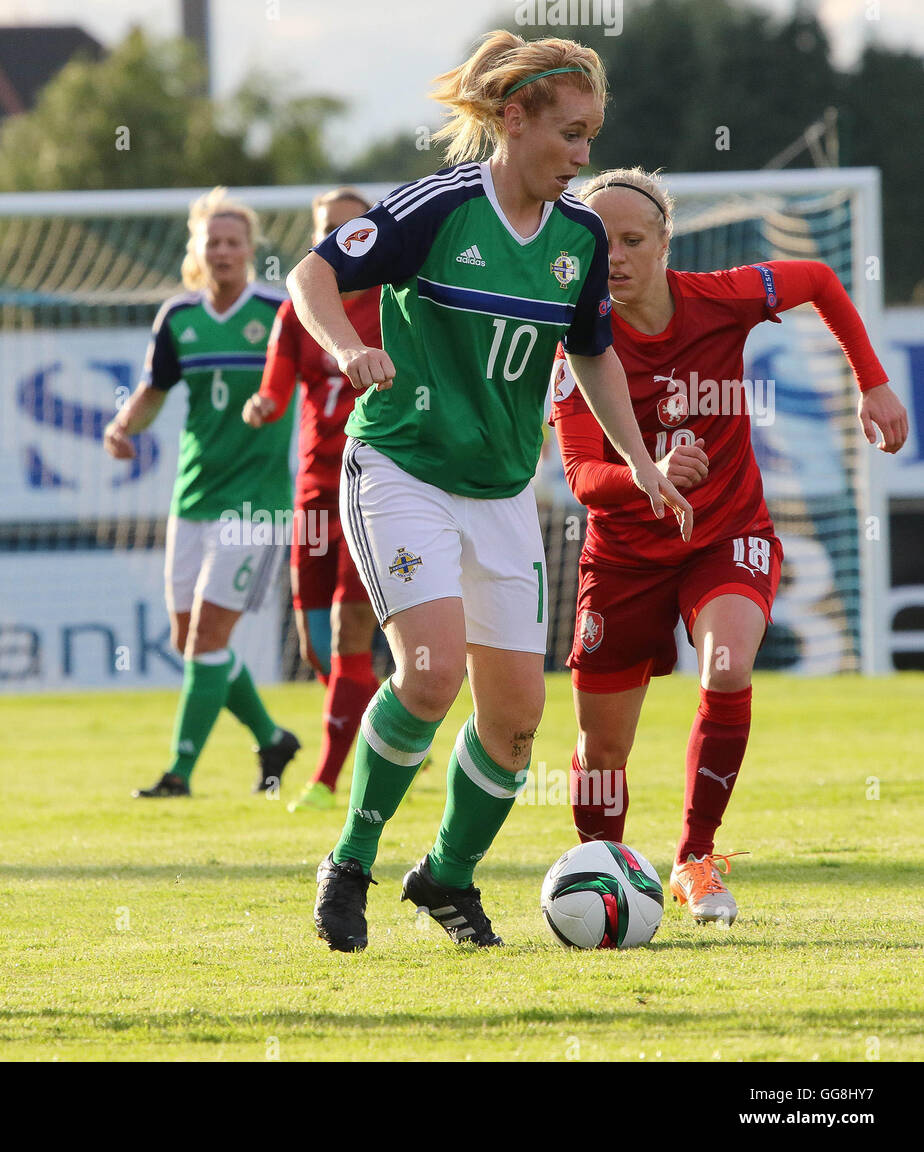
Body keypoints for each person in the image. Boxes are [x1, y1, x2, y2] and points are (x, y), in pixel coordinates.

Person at [286, 32, 692, 952]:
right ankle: (350, 859)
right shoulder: (439, 209)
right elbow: (311, 273)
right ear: (516, 119)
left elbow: (592, 351)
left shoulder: (579, 237)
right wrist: (348, 348)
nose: (585, 157)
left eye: (593, 137)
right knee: (429, 674)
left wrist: (637, 460)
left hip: (503, 493)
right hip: (401, 470)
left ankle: (448, 877)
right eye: (573, 135)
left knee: (514, 726)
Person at [552, 166, 909, 925]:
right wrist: (646, 478)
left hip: (727, 533)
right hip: (622, 558)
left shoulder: (723, 297)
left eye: (632, 240)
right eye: (598, 242)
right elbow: (583, 476)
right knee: (601, 753)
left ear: (665, 243)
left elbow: (814, 276)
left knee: (728, 664)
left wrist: (871, 381)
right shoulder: (575, 344)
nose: (613, 256)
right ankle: (603, 870)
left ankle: (695, 859)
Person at [104, 187, 300, 798]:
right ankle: (272, 740)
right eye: (211, 242)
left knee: (205, 642)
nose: (222, 251)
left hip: (256, 503)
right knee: (188, 640)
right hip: (193, 499)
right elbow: (153, 390)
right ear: (198, 250)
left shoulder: (279, 313)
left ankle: (178, 774)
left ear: (250, 249)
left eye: (232, 241)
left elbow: (316, 376)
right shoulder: (178, 318)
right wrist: (121, 425)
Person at [243, 187, 382, 814]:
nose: (341, 240)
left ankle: (327, 781)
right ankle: (382, 719)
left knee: (352, 631)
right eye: (329, 228)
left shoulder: (394, 305)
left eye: (353, 229)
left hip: (372, 487)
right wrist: (264, 405)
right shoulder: (296, 311)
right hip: (311, 493)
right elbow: (276, 387)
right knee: (313, 645)